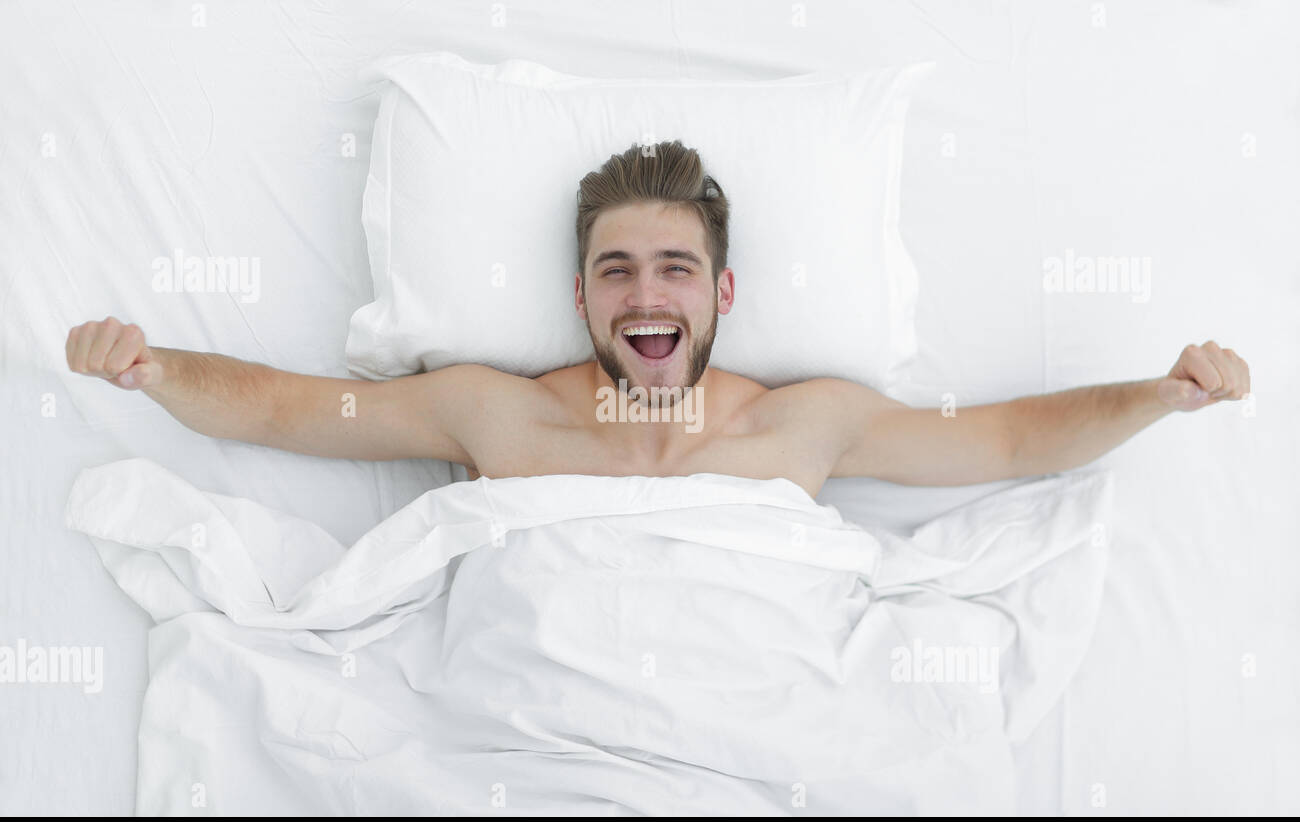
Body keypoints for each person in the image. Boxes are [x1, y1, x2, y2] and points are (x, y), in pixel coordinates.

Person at [65, 140, 1250, 500]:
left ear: (720, 295)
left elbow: (999, 441)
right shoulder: (494, 411)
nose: (646, 294)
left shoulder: (807, 426)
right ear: (580, 296)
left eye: (675, 269)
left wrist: (1157, 396)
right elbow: (286, 406)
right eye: (616, 269)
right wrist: (151, 365)